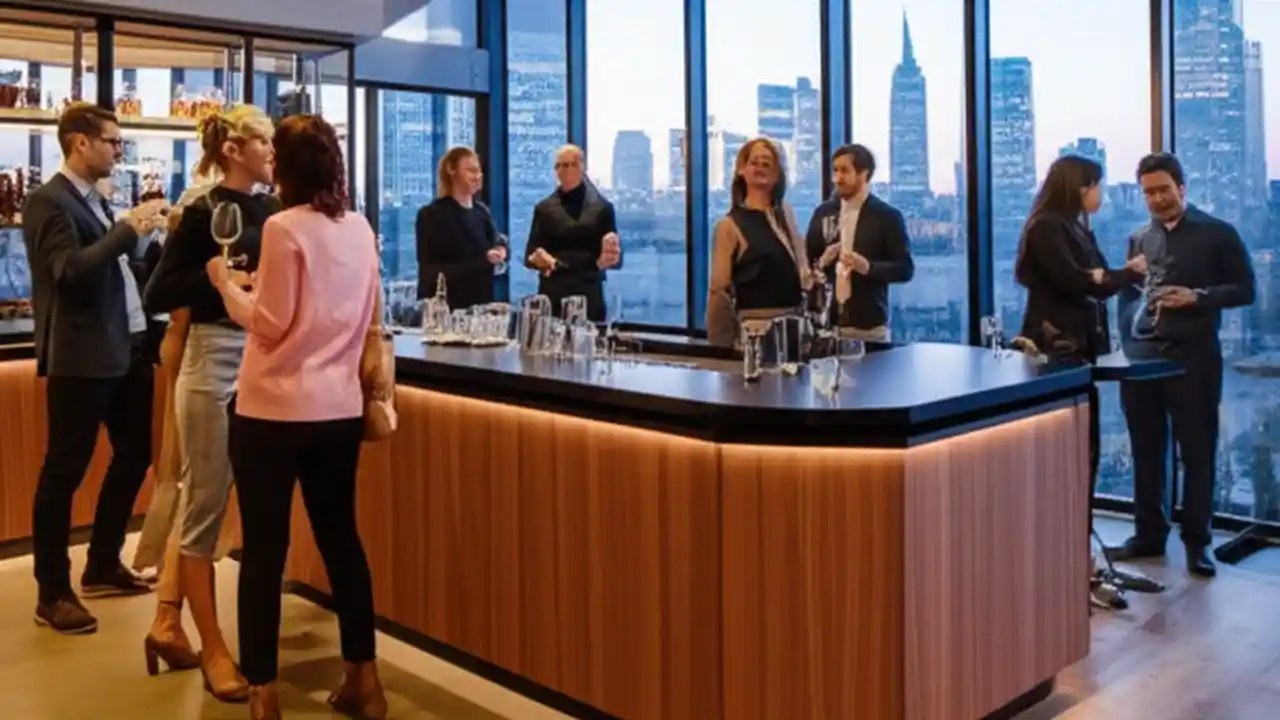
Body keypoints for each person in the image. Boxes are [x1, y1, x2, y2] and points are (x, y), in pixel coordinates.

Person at [207, 114, 386, 720]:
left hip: (272, 411)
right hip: (337, 409)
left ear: (284, 167)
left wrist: (228, 288)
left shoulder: (283, 229)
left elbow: (272, 322)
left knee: (264, 550)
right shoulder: (360, 228)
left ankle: (264, 693)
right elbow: (364, 315)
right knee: (342, 539)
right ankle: (365, 679)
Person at [142, 105, 281, 700]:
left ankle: (177, 623)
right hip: (214, 354)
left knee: (254, 507)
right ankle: (211, 644)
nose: (272, 152)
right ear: (235, 148)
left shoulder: (275, 211)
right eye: (265, 142)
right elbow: (161, 290)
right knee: (204, 499)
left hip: (264, 359)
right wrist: (221, 281)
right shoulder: (202, 212)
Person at [22, 102, 168, 634]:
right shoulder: (47, 202)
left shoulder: (97, 201)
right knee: (64, 470)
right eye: (111, 141)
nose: (117, 150)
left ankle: (103, 562)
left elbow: (119, 268)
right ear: (80, 142)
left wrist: (147, 238)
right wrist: (128, 228)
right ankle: (52, 592)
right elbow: (71, 273)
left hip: (128, 346)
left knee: (136, 455)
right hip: (81, 357)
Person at [1108, 152, 1256, 579]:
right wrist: (1128, 344)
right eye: (1149, 192)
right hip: (1142, 361)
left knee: (1197, 452)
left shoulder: (1218, 233)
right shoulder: (1138, 238)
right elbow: (1128, 297)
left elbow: (1246, 289)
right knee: (1145, 450)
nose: (1157, 199)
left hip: (1193, 359)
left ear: (1182, 188)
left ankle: (1197, 544)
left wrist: (1198, 297)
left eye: (1164, 190)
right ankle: (1148, 535)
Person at [1013, 155, 1146, 608]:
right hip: (1057, 349)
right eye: (1096, 186)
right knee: (1068, 455)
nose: (1100, 195)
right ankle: (1064, 565)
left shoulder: (1075, 227)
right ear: (1079, 186)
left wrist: (1103, 277)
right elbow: (1080, 282)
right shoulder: (1048, 227)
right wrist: (1118, 275)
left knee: (1085, 454)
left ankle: (1080, 560)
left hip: (1082, 350)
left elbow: (1098, 277)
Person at [706, 137, 811, 347]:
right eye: (755, 162)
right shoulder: (728, 225)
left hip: (795, 330)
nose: (761, 168)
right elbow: (719, 292)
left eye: (767, 164)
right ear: (741, 170)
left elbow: (802, 271)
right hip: (756, 333)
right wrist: (720, 351)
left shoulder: (786, 215)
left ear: (777, 176)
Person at [804, 144, 913, 341]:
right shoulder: (823, 213)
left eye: (844, 171)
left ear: (864, 174)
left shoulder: (888, 216)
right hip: (825, 330)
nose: (837, 178)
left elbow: (905, 269)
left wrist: (868, 268)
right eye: (835, 170)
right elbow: (808, 264)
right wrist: (822, 262)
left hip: (869, 331)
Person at [524, 145, 622, 320]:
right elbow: (529, 255)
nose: (565, 170)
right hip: (552, 297)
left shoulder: (602, 208)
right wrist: (538, 259)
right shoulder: (544, 208)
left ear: (582, 167)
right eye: (560, 165)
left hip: (588, 297)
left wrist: (610, 257)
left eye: (570, 165)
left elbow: (615, 258)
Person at [416, 146, 507, 308]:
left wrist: (501, 251)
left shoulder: (482, 212)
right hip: (447, 310)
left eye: (478, 171)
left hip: (481, 308)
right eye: (471, 171)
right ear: (451, 170)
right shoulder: (431, 215)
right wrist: (483, 261)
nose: (477, 176)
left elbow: (498, 241)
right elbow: (430, 272)